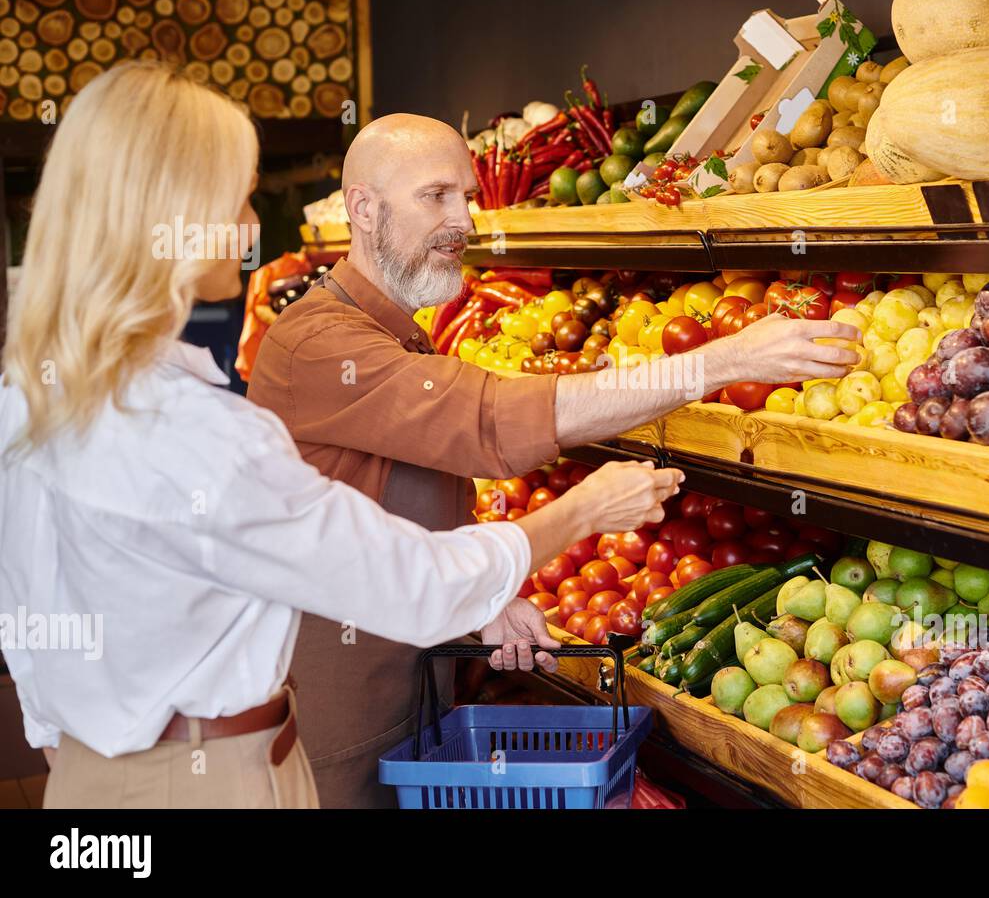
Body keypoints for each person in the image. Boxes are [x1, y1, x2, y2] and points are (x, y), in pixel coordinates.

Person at [0, 62, 679, 808]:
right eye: (240, 197)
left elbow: (26, 624)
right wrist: (584, 510)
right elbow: (407, 581)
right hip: (206, 777)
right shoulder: (193, 431)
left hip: (91, 776)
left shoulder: (30, 400)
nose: (252, 227)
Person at [247, 113, 862, 806]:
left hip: (407, 691)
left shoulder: (393, 334)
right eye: (437, 197)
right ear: (362, 208)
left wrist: (483, 598)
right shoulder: (324, 345)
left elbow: (380, 511)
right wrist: (724, 360)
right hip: (335, 722)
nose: (466, 223)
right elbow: (496, 423)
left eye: (470, 197)